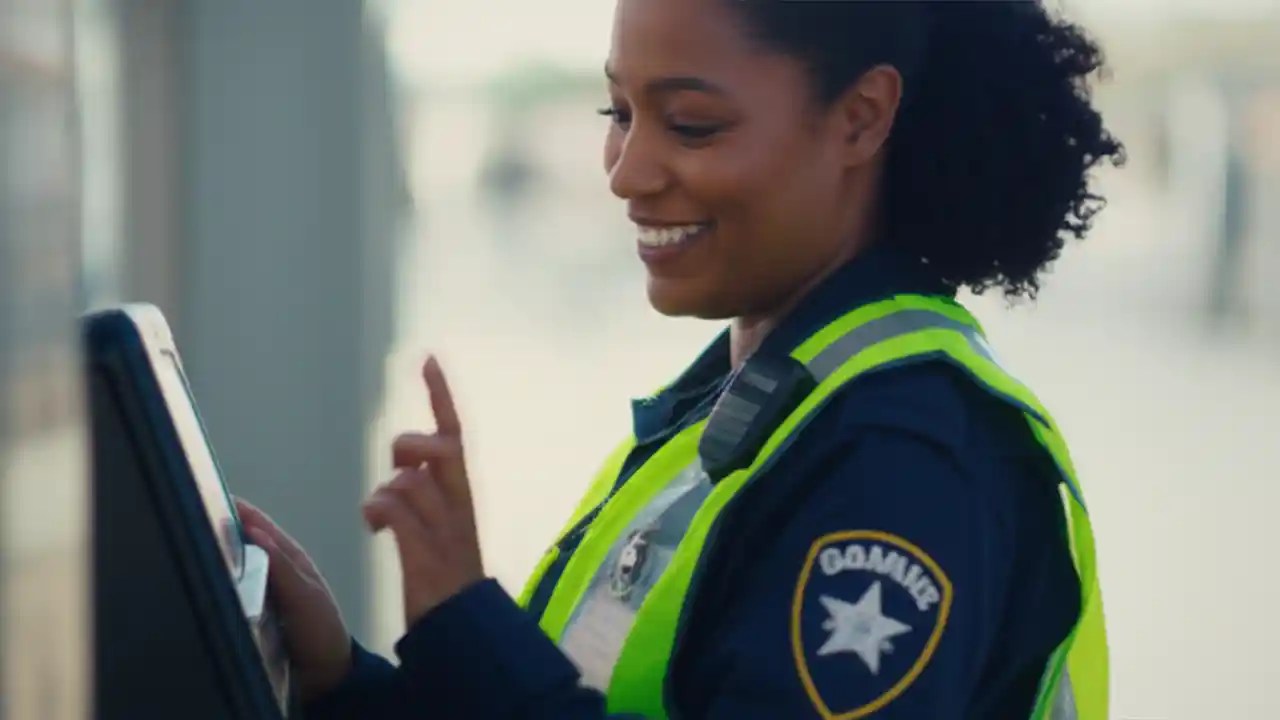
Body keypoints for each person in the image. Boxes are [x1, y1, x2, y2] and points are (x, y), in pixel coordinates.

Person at [237, 0, 1126, 717]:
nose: (627, 171)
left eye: (692, 125)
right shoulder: (749, 408)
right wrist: (337, 681)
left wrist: (465, 623)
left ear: (860, 119)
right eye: (618, 112)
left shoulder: (905, 458)